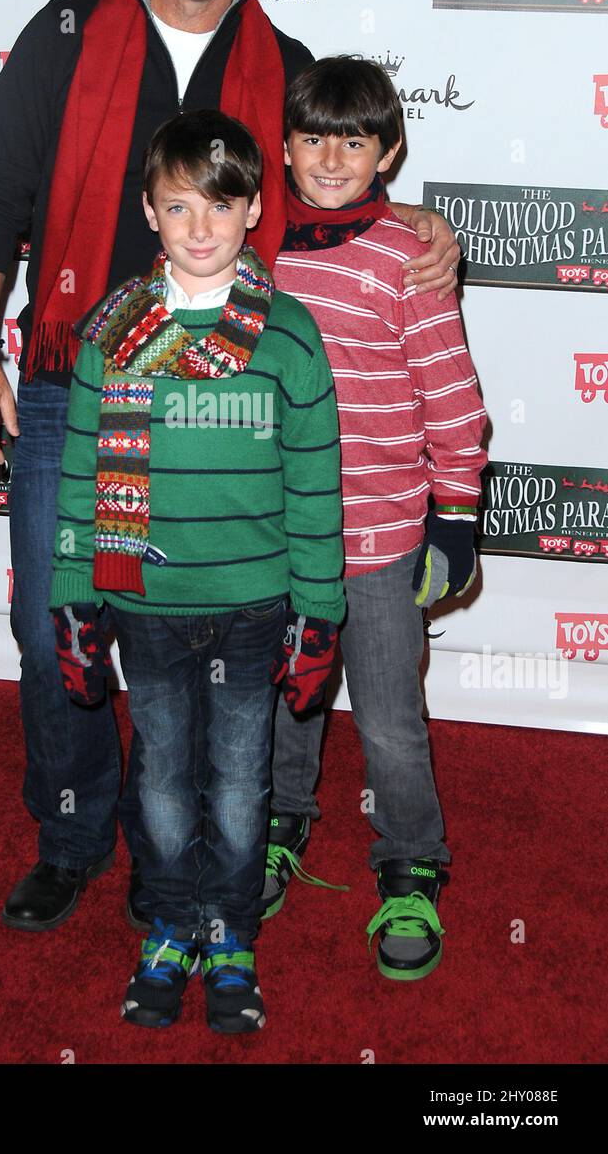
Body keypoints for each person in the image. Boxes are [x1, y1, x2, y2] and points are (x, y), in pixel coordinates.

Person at [0, 0, 461, 933]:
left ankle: (173, 850)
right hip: (71, 382)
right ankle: (76, 830)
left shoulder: (280, 67)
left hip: (226, 411)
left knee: (201, 648)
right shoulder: (68, 33)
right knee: (56, 623)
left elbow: (336, 186)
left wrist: (413, 222)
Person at [48, 110, 345, 1031]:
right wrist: (72, 597)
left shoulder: (286, 334)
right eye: (179, 207)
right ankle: (172, 925)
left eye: (220, 204)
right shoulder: (110, 333)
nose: (202, 227)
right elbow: (82, 475)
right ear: (148, 211)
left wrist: (319, 611)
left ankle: (233, 935)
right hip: (149, 604)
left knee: (240, 779)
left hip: (256, 605)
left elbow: (314, 479)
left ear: (255, 207)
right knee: (165, 777)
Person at [272, 57, 487, 977]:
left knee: (392, 718)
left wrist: (455, 518)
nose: (330, 155)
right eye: (313, 136)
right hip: (279, 538)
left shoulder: (410, 257)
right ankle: (277, 822)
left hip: (384, 535)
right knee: (283, 696)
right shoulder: (253, 251)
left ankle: (410, 860)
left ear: (387, 152)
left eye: (353, 139)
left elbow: (448, 391)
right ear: (282, 147)